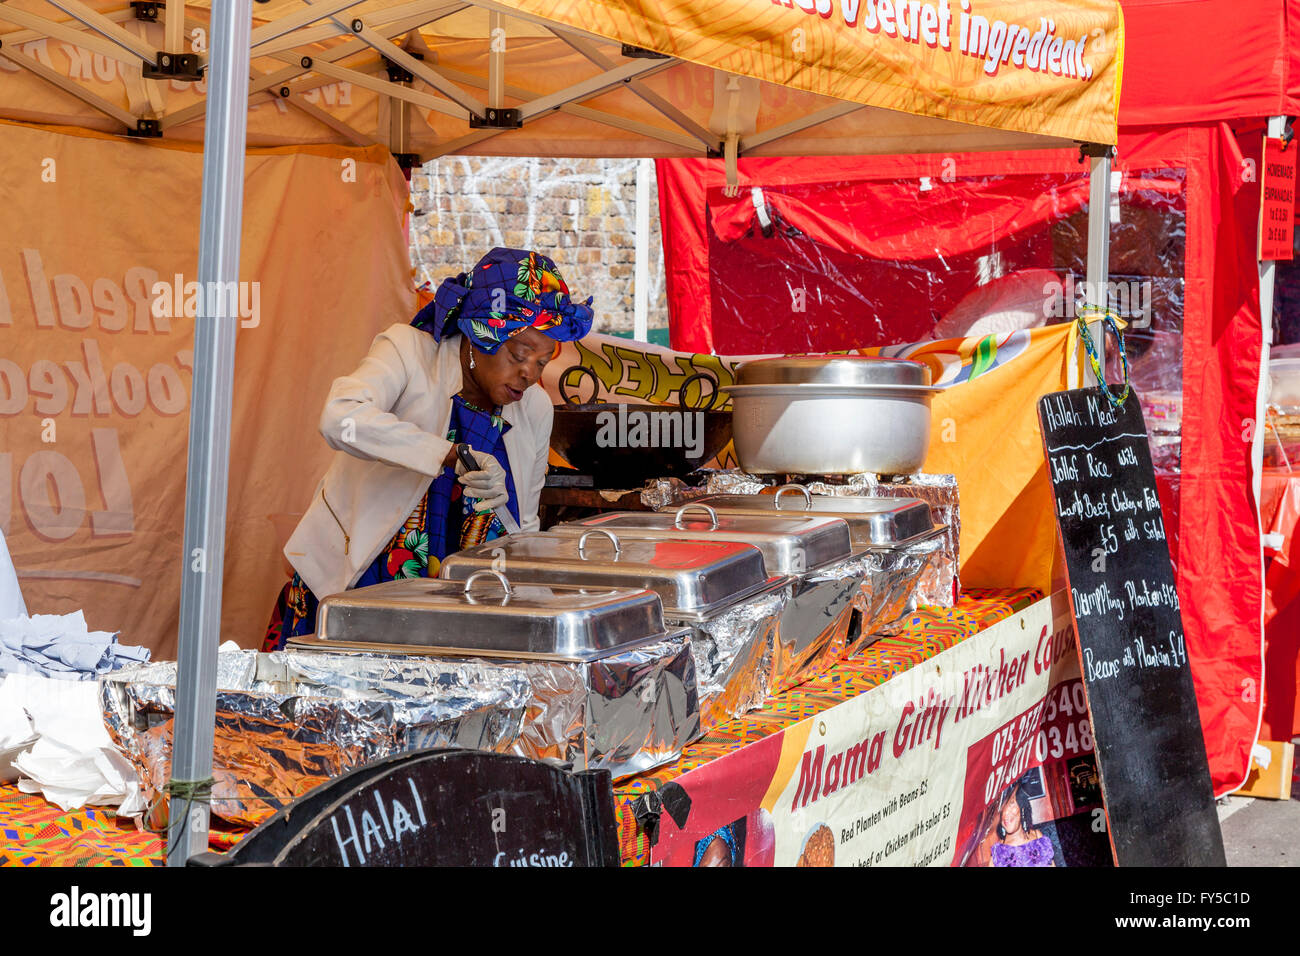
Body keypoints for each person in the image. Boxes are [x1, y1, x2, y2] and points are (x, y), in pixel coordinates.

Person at [263, 248, 593, 650]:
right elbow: (339, 417)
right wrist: (446, 455)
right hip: (353, 584)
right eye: (519, 355)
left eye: (542, 362)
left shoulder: (535, 409)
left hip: (459, 609)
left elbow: (522, 530)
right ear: (481, 333)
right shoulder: (409, 352)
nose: (528, 374)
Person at [988, 783, 1055, 867]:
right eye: (1002, 807)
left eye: (1011, 803)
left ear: (1022, 807)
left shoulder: (1038, 838)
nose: (1005, 813)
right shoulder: (997, 853)